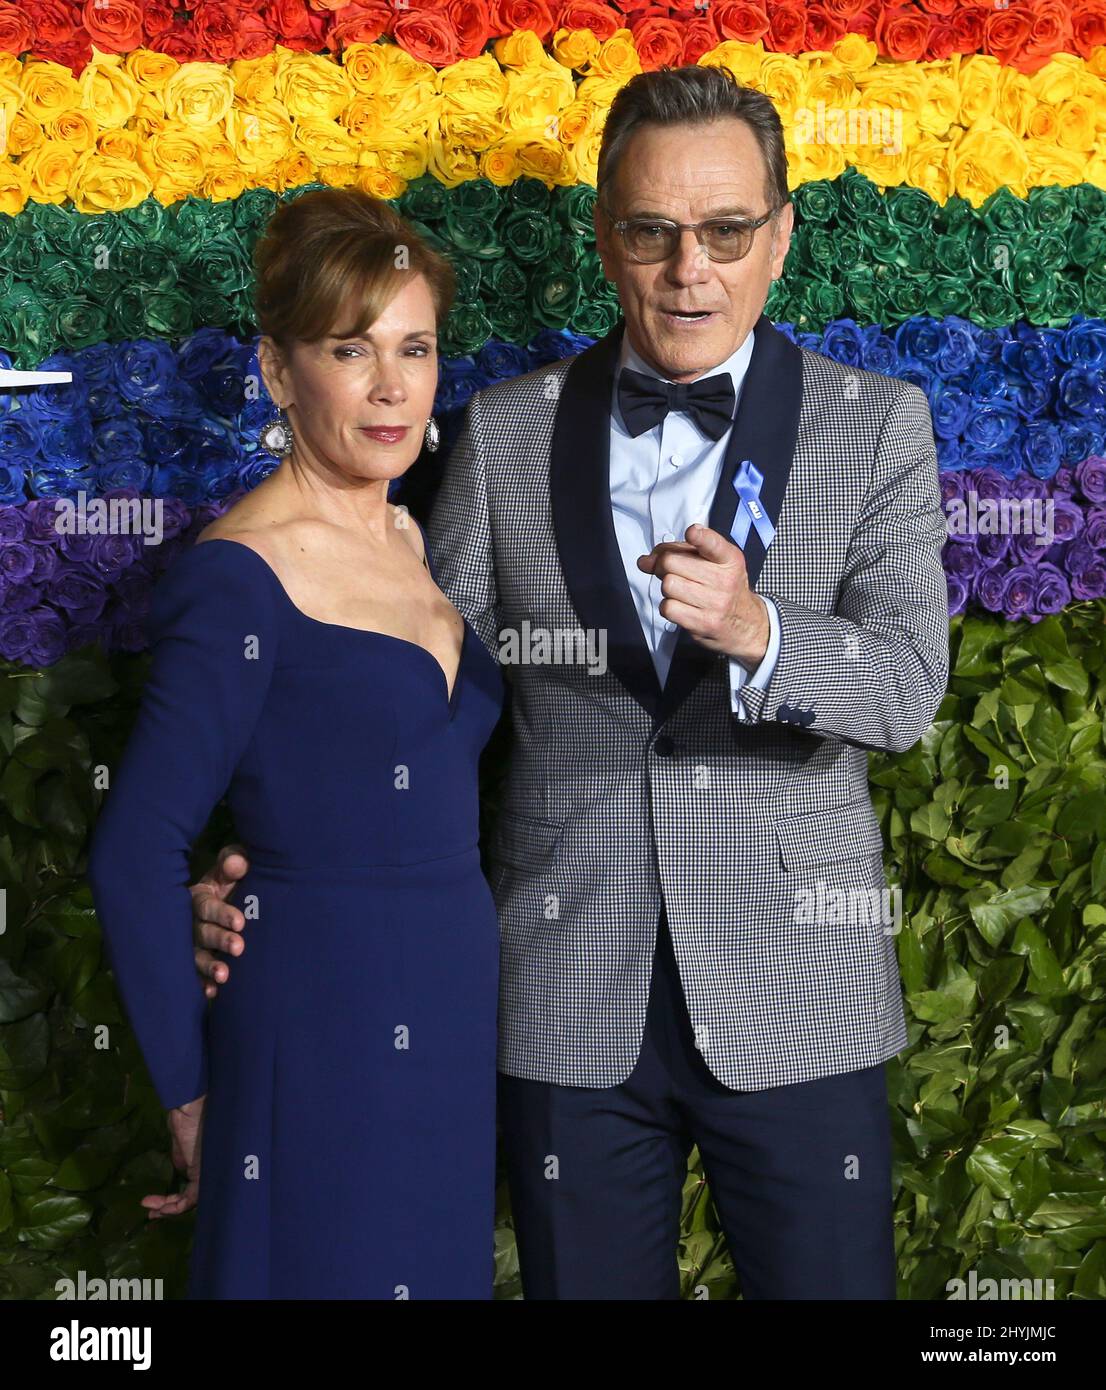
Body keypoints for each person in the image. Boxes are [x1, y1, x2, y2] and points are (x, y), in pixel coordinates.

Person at [191, 66, 950, 1299]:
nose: (687, 268)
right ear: (606, 237)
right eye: (652, 231)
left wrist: (764, 633)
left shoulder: (875, 426)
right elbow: (401, 698)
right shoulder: (500, 431)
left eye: (723, 232)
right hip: (562, 995)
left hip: (797, 997)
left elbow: (910, 685)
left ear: (778, 242)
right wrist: (250, 870)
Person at [87, 188, 505, 1299]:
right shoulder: (240, 577)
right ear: (279, 372)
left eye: (413, 348)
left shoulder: (417, 537)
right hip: (320, 1025)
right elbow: (133, 849)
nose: (389, 385)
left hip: (451, 1022)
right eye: (347, 349)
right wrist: (190, 1098)